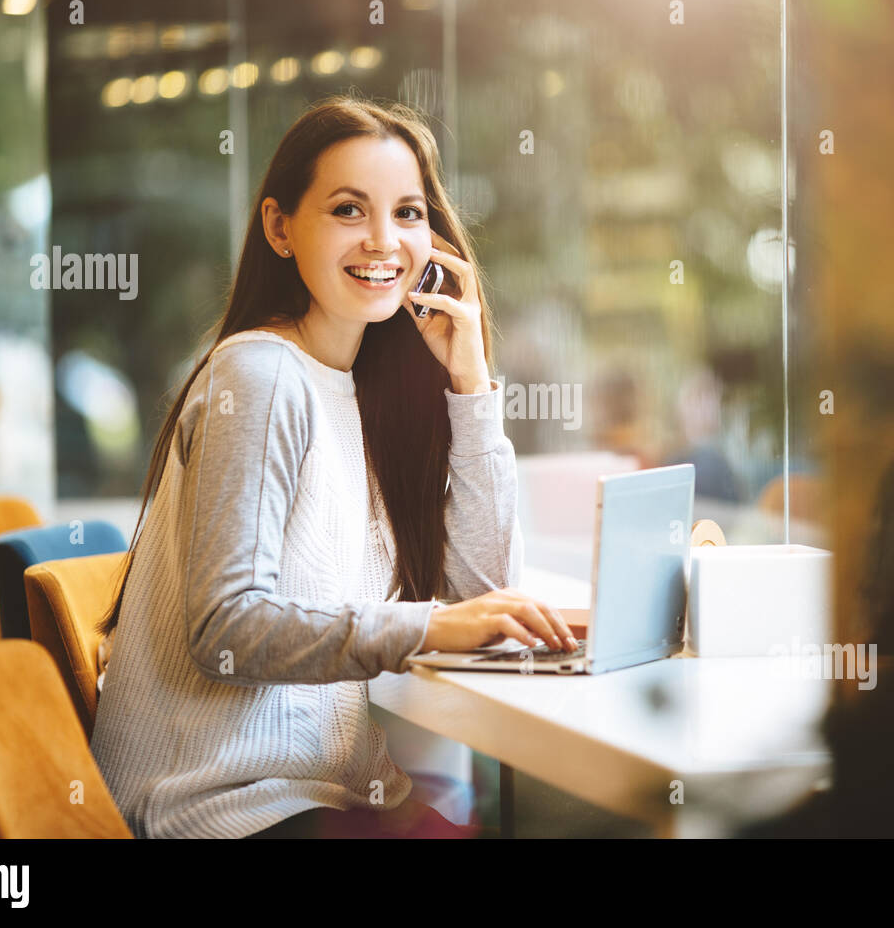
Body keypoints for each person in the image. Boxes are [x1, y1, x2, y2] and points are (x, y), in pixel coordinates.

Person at [90, 95, 576, 839]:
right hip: (222, 811)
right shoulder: (259, 377)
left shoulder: (364, 392)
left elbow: (482, 597)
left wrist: (471, 387)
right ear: (280, 228)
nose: (385, 240)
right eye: (350, 209)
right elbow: (227, 629)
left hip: (326, 796)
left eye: (408, 213)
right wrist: (428, 628)